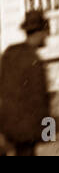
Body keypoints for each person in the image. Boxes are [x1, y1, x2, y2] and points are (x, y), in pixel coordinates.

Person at [0, 10, 51, 155]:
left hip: (9, 129)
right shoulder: (34, 61)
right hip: (27, 131)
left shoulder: (9, 54)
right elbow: (40, 100)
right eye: (46, 31)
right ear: (39, 32)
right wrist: (49, 133)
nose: (47, 36)